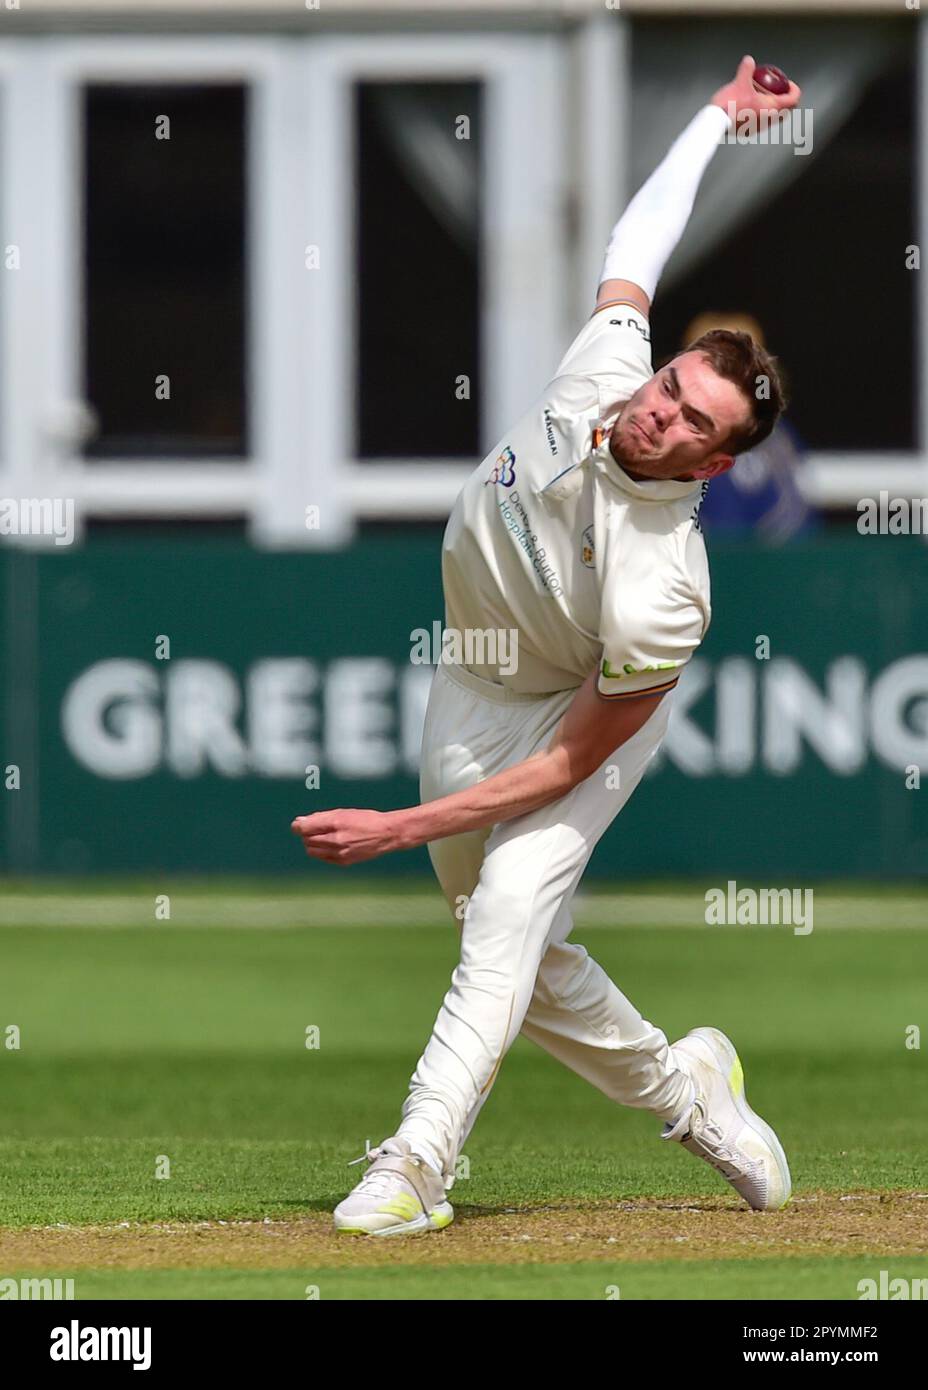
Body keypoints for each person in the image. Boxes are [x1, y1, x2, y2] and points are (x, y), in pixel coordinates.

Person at [292, 56, 800, 1236]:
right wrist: (718, 113)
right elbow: (641, 237)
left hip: (572, 720)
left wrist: (398, 827)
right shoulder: (608, 370)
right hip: (472, 683)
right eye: (670, 383)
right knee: (514, 948)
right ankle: (691, 1091)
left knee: (513, 896)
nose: (657, 411)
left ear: (711, 465)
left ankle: (415, 1164)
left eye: (688, 421)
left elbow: (567, 768)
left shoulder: (663, 591)